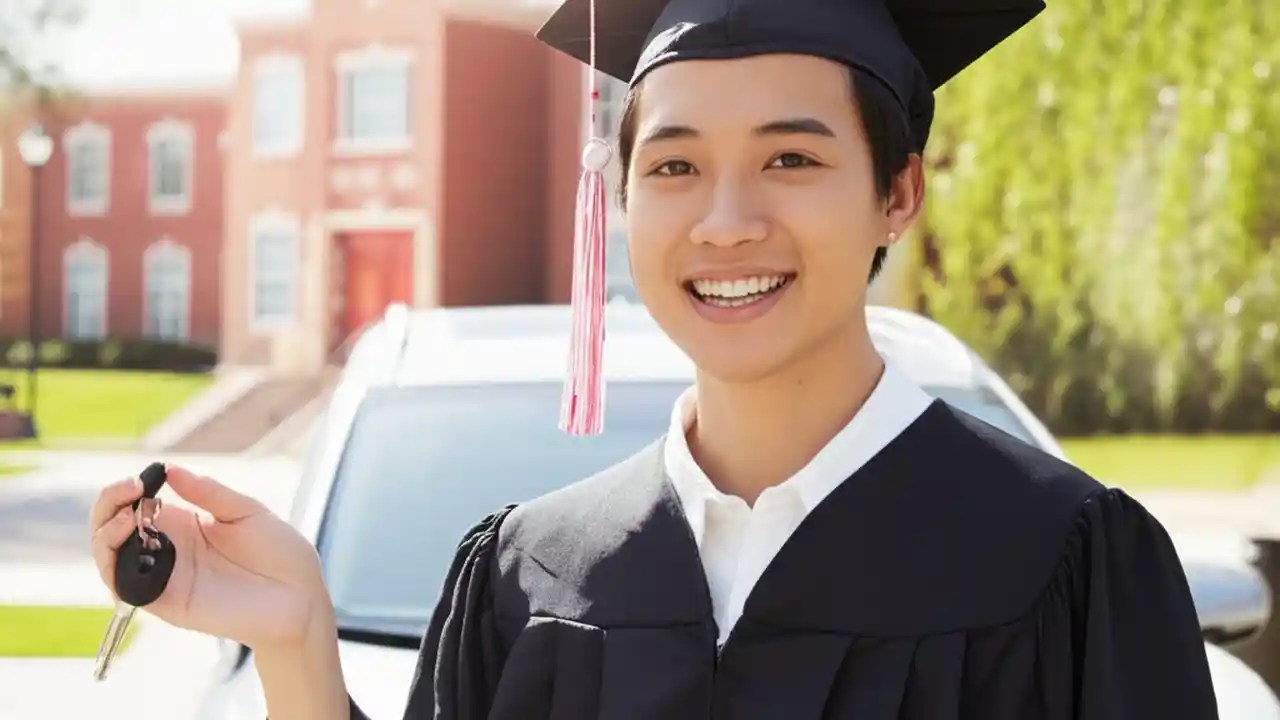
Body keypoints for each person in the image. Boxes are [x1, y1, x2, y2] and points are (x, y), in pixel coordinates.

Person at [89, 0, 1221, 717]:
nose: (724, 224)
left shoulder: (1064, 565)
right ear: (620, 197)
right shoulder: (528, 576)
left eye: (789, 160)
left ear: (898, 193)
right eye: (674, 167)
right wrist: (297, 640)